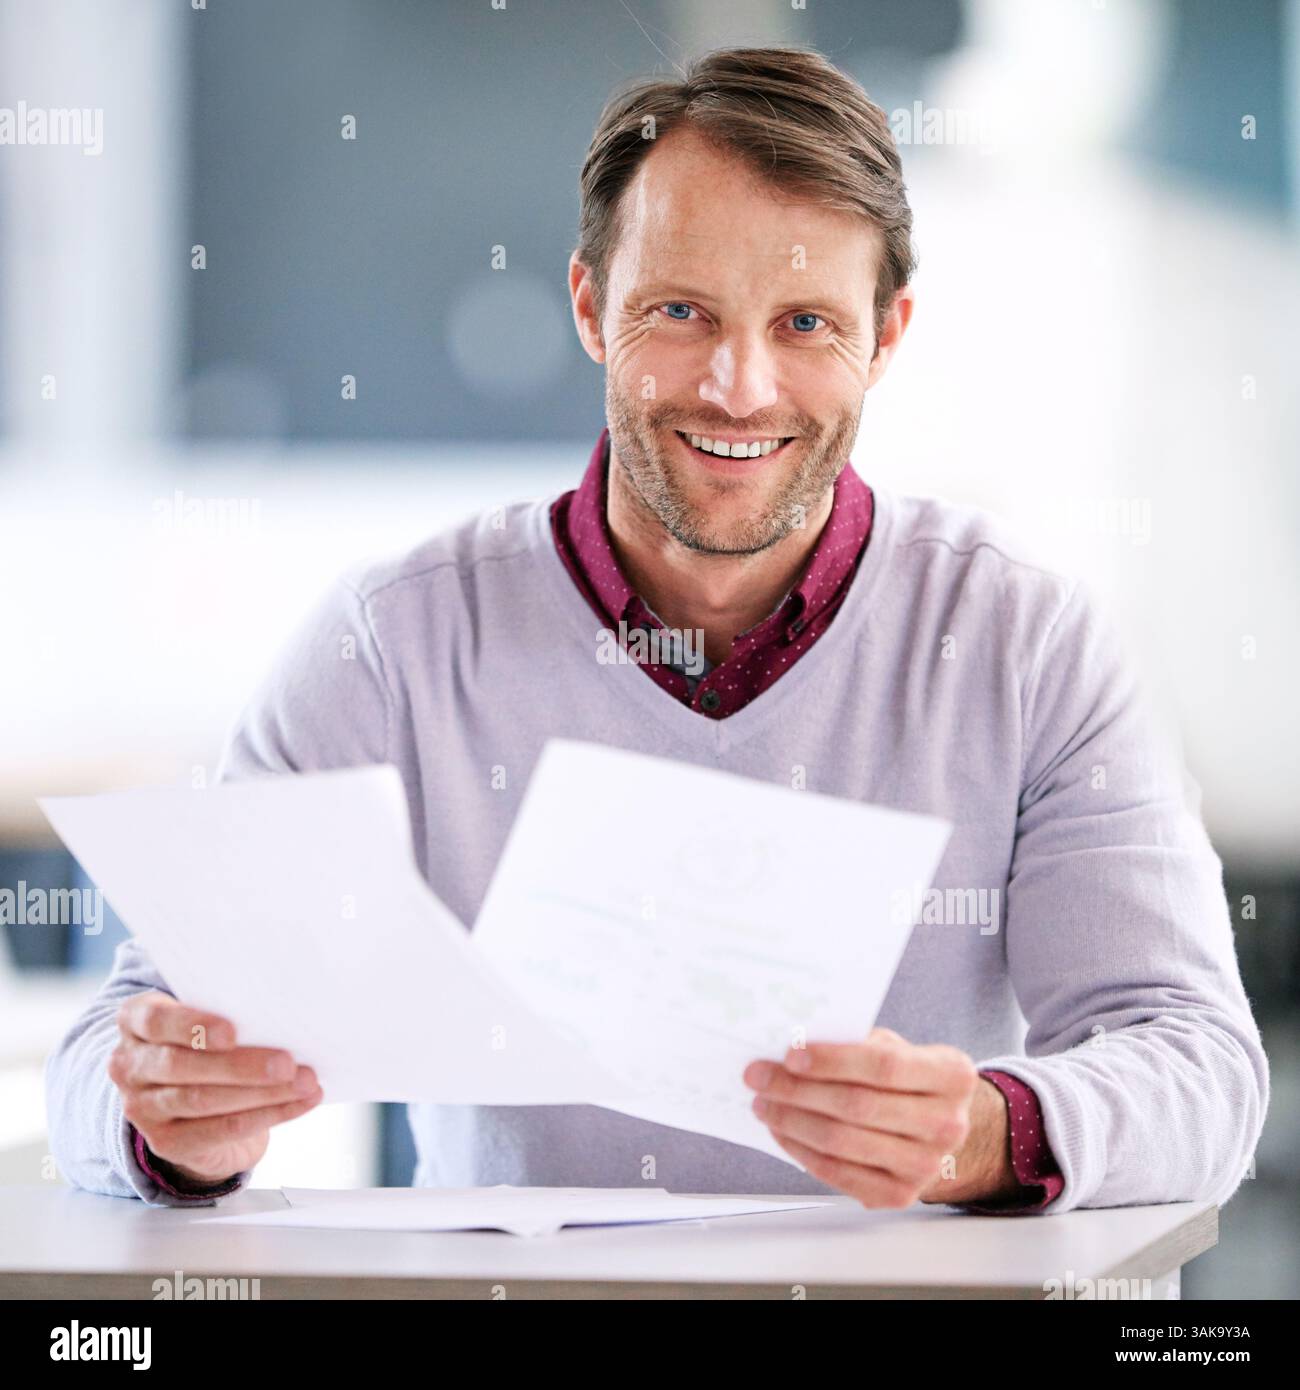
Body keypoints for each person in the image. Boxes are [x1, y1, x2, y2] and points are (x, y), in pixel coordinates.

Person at [46, 46, 1267, 1214]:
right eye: (681, 311)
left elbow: (1203, 1069)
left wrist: (992, 1131)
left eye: (805, 324)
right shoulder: (395, 645)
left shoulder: (1025, 644)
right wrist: (166, 1121)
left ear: (886, 336)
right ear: (590, 305)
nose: (739, 388)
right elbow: (117, 1043)